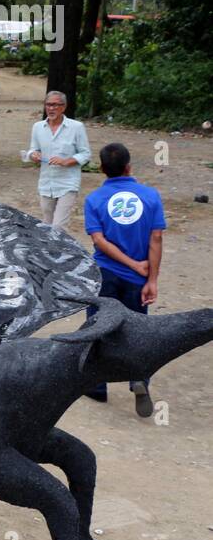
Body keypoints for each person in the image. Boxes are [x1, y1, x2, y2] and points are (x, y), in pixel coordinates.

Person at [81, 142, 165, 416]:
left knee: (98, 326)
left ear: (102, 169)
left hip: (104, 272)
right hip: (137, 277)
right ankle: (138, 377)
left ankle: (96, 385)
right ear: (129, 167)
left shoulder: (94, 200)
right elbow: (155, 238)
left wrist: (128, 264)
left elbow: (98, 240)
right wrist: (150, 277)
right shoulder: (151, 196)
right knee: (136, 330)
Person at [27, 90, 90, 231]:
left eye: (55, 105)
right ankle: (48, 252)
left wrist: (67, 161)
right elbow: (32, 149)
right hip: (46, 183)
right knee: (47, 224)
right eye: (48, 105)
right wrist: (33, 155)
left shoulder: (76, 127)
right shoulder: (38, 127)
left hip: (68, 183)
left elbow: (86, 153)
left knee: (58, 226)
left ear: (64, 107)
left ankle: (61, 253)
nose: (51, 108)